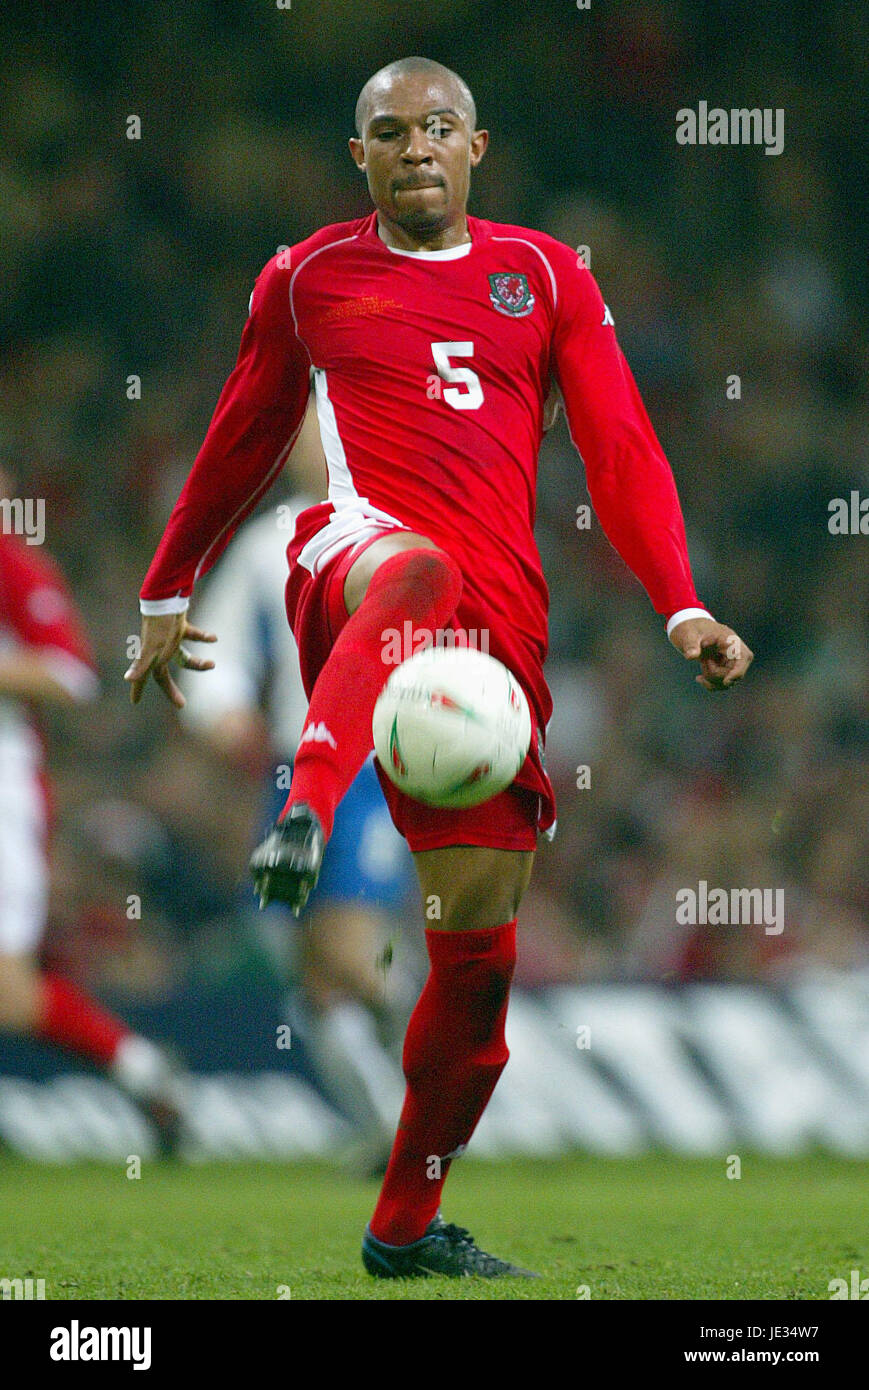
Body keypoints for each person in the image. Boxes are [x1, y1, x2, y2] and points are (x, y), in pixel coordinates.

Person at [126, 57, 753, 1277]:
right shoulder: (306, 276)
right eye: (389, 131)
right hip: (351, 554)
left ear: (478, 148)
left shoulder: (546, 275)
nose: (416, 146)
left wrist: (679, 605)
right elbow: (241, 433)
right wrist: (166, 583)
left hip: (493, 639)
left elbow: (619, 445)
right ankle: (302, 813)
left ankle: (403, 1225)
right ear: (356, 157)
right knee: (412, 570)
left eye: (439, 128)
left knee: (475, 976)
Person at [177, 396, 415, 1171]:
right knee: (299, 964)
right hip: (289, 768)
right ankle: (388, 1125)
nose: (316, 439)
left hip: (375, 766)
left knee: (346, 954)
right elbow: (210, 651)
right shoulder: (266, 543)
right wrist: (219, 714)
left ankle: (435, 1047)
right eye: (306, 425)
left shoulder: (408, 529)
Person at [0, 470, 184, 1150]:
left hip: (5, 793)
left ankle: (138, 1066)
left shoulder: (12, 561)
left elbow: (70, 673)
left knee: (8, 994)